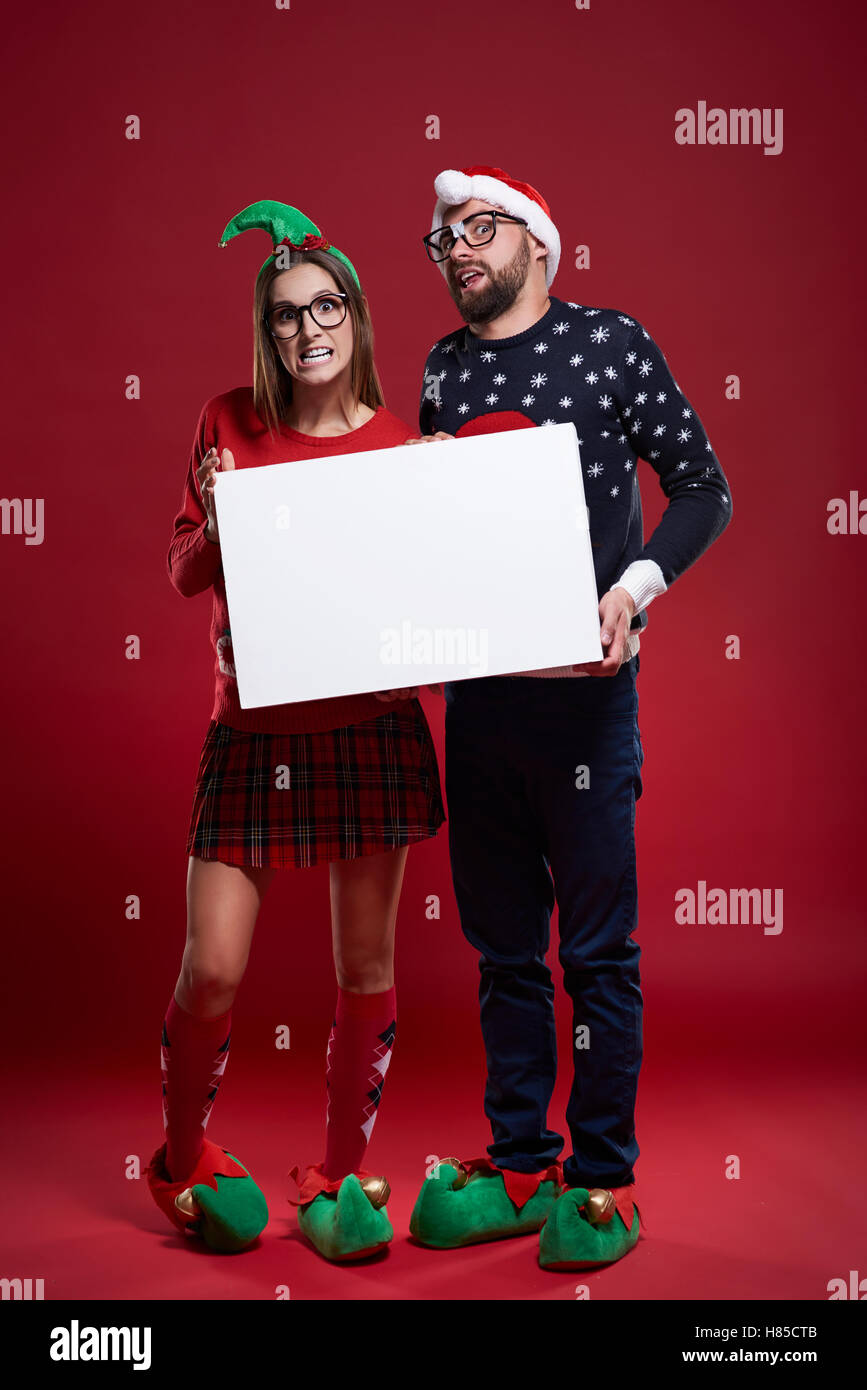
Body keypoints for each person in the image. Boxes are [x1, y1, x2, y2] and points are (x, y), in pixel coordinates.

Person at [406, 166, 733, 1269]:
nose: (456, 249)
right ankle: (517, 1162)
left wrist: (631, 591)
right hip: (480, 707)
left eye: (477, 228)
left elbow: (702, 486)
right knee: (503, 953)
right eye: (443, 237)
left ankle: (604, 1178)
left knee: (595, 953)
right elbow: (433, 535)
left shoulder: (610, 342)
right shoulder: (444, 369)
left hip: (587, 710)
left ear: (538, 241)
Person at [145, 200, 445, 1261]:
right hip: (251, 733)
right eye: (285, 315)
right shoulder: (225, 422)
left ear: (356, 318)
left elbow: (431, 608)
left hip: (368, 730)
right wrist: (218, 520)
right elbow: (181, 570)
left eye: (326, 306)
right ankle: (181, 1159)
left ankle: (339, 1171)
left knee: (365, 967)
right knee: (213, 968)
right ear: (266, 332)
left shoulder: (403, 446)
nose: (307, 327)